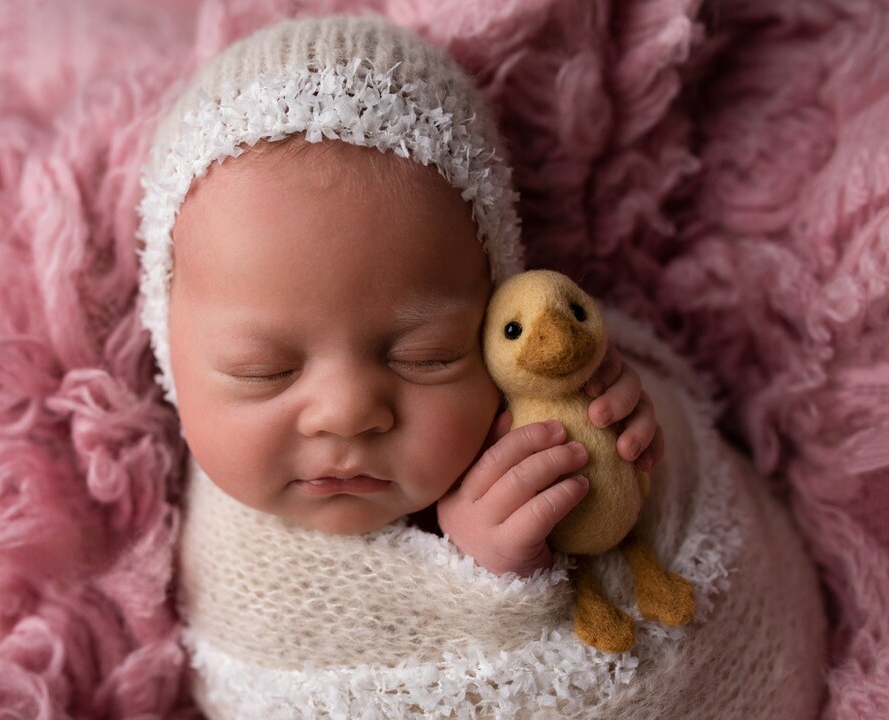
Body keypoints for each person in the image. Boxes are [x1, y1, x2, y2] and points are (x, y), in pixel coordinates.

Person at [139, 14, 825, 720]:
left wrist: (606, 434)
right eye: (264, 371)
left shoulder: (528, 394)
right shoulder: (237, 565)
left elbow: (650, 511)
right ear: (170, 353)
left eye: (425, 356)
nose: (346, 412)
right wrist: (482, 586)